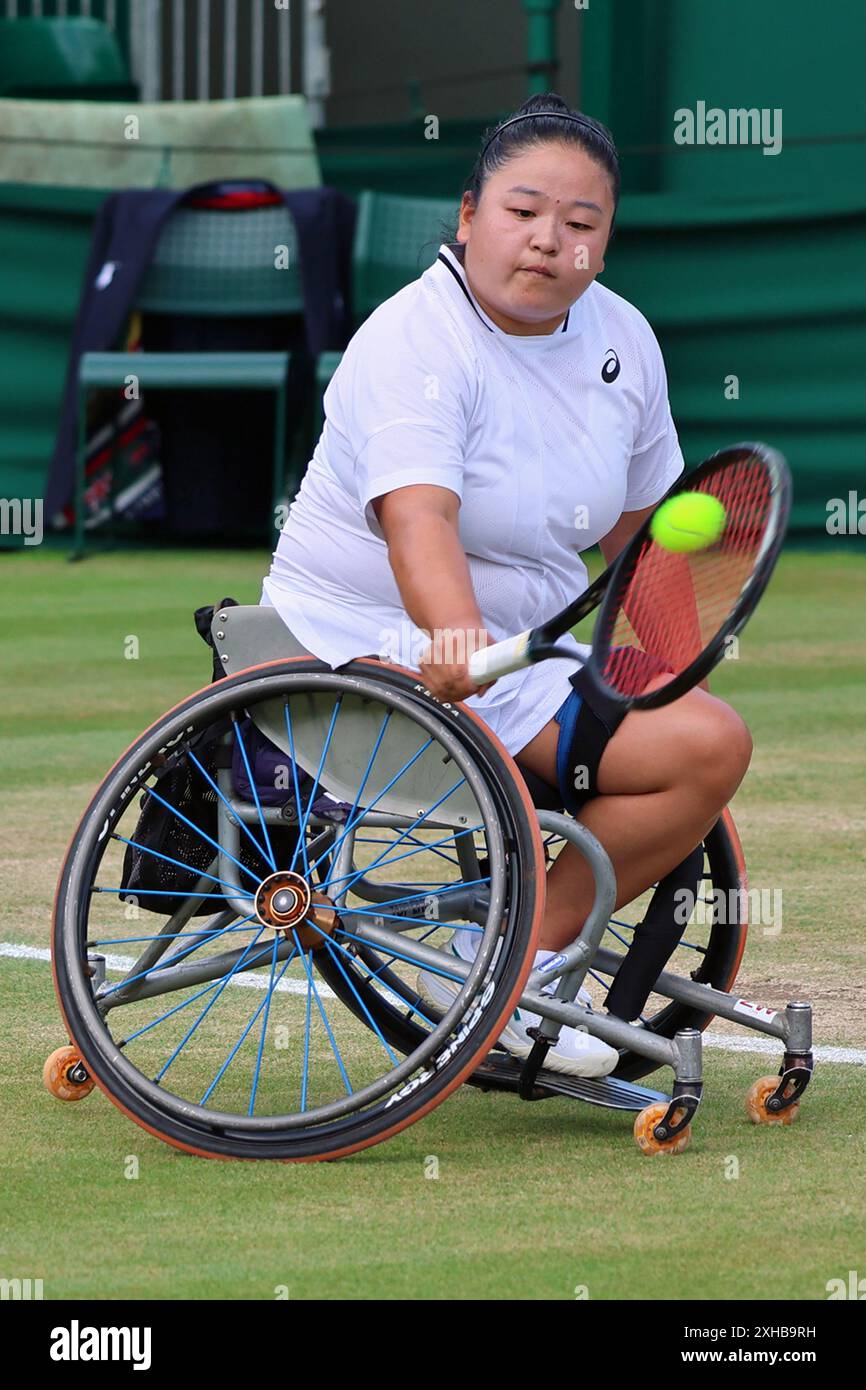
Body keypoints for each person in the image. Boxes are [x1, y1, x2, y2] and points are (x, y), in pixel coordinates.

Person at [260, 94, 753, 1078]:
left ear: (604, 243)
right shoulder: (412, 341)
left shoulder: (621, 338)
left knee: (705, 740)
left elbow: (639, 532)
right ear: (467, 217)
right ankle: (510, 957)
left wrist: (667, 660)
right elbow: (418, 518)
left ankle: (505, 951)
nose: (546, 241)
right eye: (522, 212)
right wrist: (454, 638)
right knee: (688, 745)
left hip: (529, 651)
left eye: (579, 224)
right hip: (367, 642)